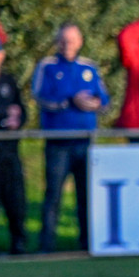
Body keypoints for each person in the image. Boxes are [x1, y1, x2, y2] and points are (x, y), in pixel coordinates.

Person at [33, 23, 110, 252]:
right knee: (53, 194)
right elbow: (39, 96)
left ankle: (87, 244)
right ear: (57, 42)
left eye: (72, 40)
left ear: (80, 42)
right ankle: (47, 245)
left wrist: (95, 103)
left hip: (85, 142)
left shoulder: (89, 67)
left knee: (86, 195)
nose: (68, 45)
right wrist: (69, 101)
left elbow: (105, 100)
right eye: (64, 40)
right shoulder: (47, 66)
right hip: (58, 142)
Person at [0, 35, 27, 254]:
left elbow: (22, 109)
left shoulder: (8, 81)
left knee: (15, 200)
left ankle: (19, 244)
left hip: (9, 152)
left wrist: (18, 117)